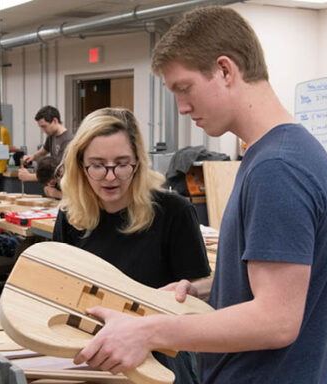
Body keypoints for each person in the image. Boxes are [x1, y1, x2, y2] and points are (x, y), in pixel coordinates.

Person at [72, 7, 327, 384]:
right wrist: (204, 288)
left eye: (184, 89)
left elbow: (276, 321)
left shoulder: (277, 169)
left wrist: (150, 331)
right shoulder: (280, 154)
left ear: (225, 70)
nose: (183, 108)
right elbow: (270, 288)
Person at [54, 107, 210, 384]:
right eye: (98, 165)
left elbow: (199, 282)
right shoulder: (71, 215)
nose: (111, 177)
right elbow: (58, 287)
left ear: (138, 162)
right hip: (89, 352)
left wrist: (193, 289)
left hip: (159, 355)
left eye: (122, 163)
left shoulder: (173, 211)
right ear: (80, 164)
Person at [18, 106, 73, 182]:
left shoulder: (68, 141)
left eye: (44, 126)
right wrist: (33, 156)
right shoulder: (52, 134)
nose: (43, 130)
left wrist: (29, 176)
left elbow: (59, 172)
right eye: (41, 127)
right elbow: (45, 149)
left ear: (54, 121)